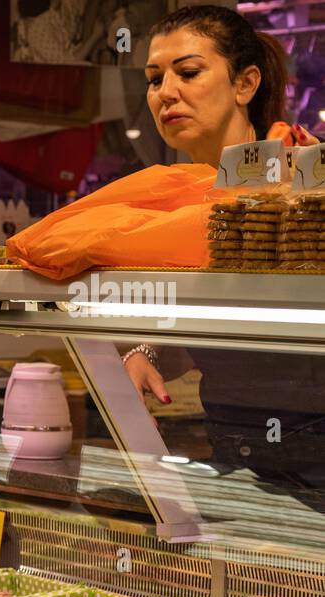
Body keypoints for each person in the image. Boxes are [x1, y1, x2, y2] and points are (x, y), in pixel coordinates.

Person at [120, 7, 325, 505]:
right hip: (233, 461)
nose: (165, 92)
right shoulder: (169, 200)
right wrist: (145, 353)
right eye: (153, 79)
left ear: (245, 83)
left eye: (188, 73)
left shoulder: (305, 182)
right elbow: (217, 314)